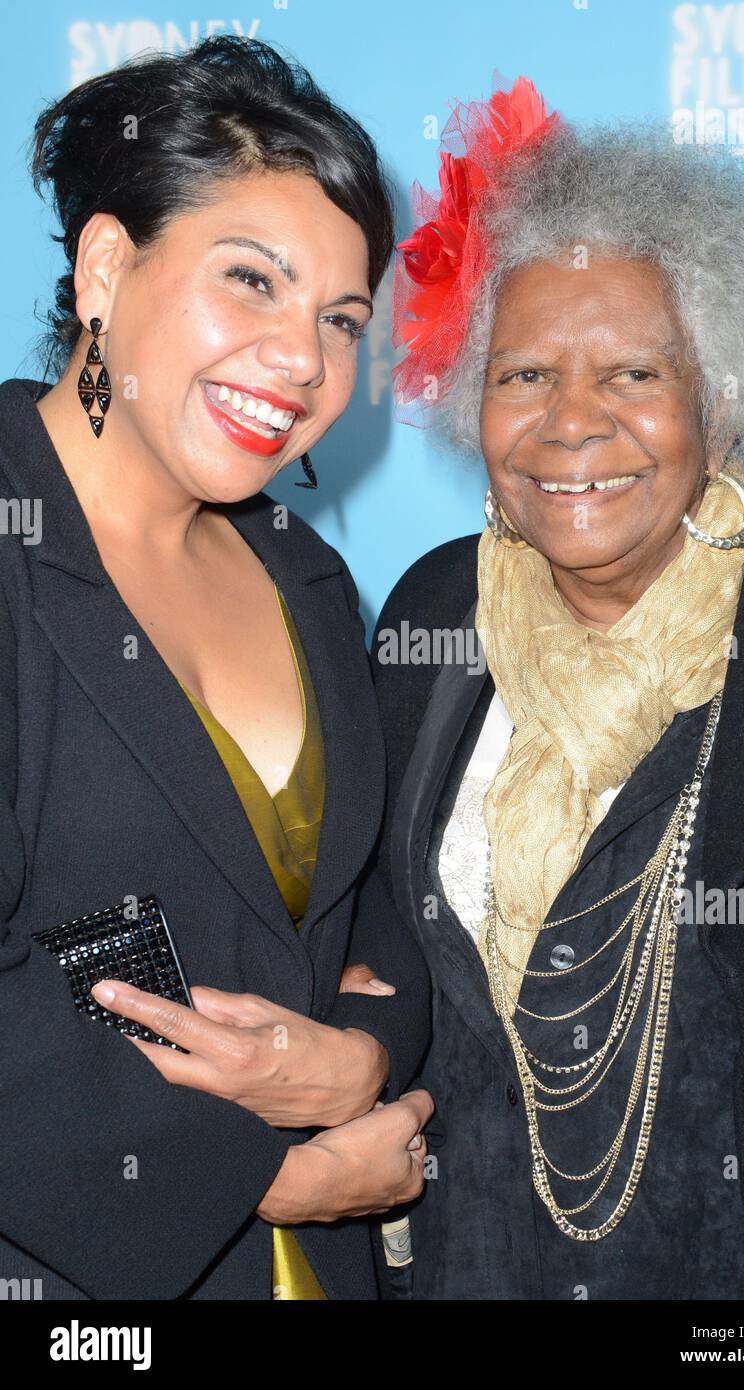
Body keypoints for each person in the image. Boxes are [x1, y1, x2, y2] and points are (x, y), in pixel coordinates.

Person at [372, 80, 744, 1299]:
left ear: (721, 393)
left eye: (633, 374)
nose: (569, 425)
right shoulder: (429, 620)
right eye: (524, 373)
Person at [0, 35, 432, 1302]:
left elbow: (377, 918)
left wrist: (359, 1057)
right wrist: (260, 1172)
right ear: (104, 265)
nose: (303, 362)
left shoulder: (303, 573)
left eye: (339, 322)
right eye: (252, 281)